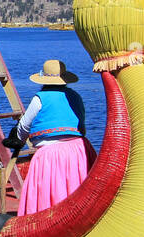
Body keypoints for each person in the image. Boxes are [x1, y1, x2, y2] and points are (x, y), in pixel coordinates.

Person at [10, 60, 92, 216]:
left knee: (51, 190)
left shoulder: (40, 98)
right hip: (78, 149)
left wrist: (18, 140)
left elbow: (24, 125)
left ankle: (49, 218)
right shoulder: (75, 96)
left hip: (51, 154)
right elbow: (82, 125)